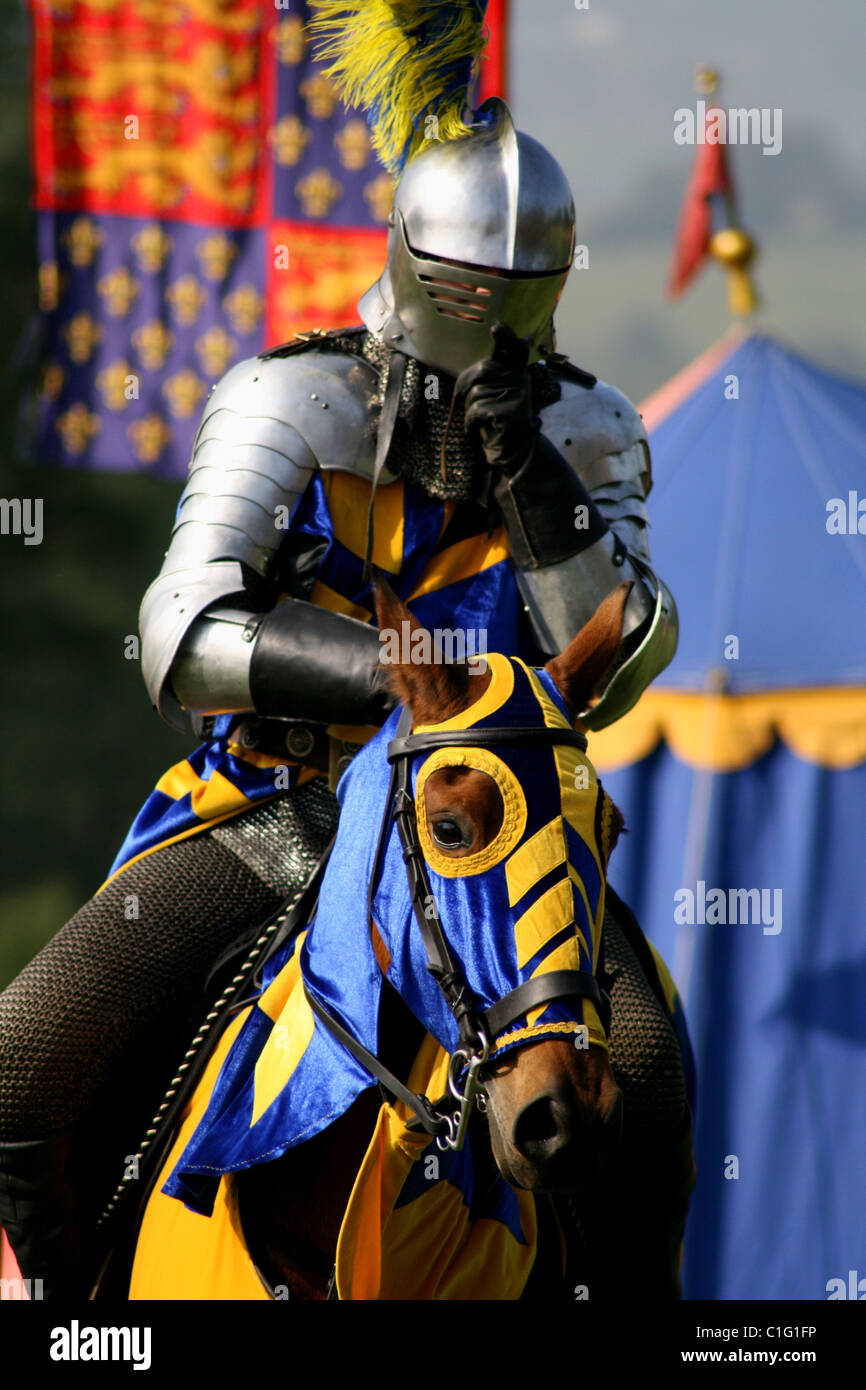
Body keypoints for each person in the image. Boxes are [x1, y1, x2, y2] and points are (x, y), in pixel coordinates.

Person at [0, 89, 677, 1297]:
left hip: (493, 829)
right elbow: (180, 632)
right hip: (280, 809)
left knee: (645, 1070)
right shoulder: (290, 400)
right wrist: (392, 676)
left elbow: (616, 664)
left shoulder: (586, 432)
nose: (489, 311)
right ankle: (75, 1309)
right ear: (409, 259)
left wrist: (527, 479)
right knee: (24, 1052)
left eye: (519, 283)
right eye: (467, 279)